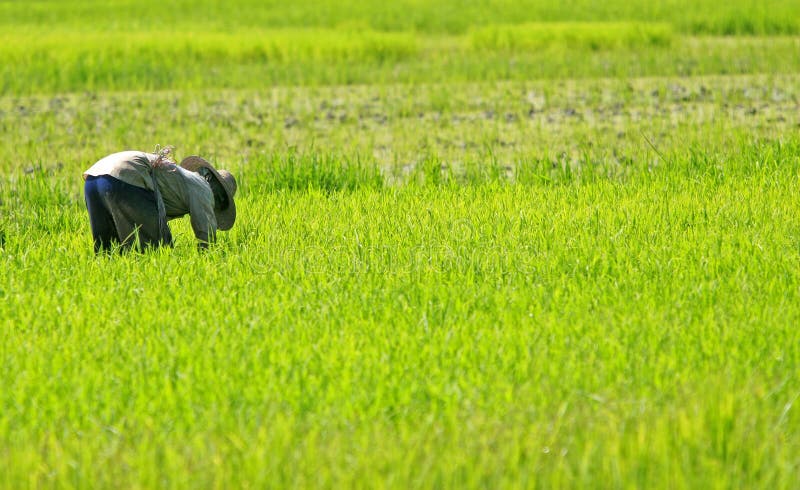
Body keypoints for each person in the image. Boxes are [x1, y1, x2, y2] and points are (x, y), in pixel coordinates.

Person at [83, 148, 237, 253]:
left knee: (109, 253)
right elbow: (206, 236)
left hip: (94, 179)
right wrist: (208, 263)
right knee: (155, 253)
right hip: (126, 179)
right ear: (219, 194)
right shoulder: (203, 189)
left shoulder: (182, 180)